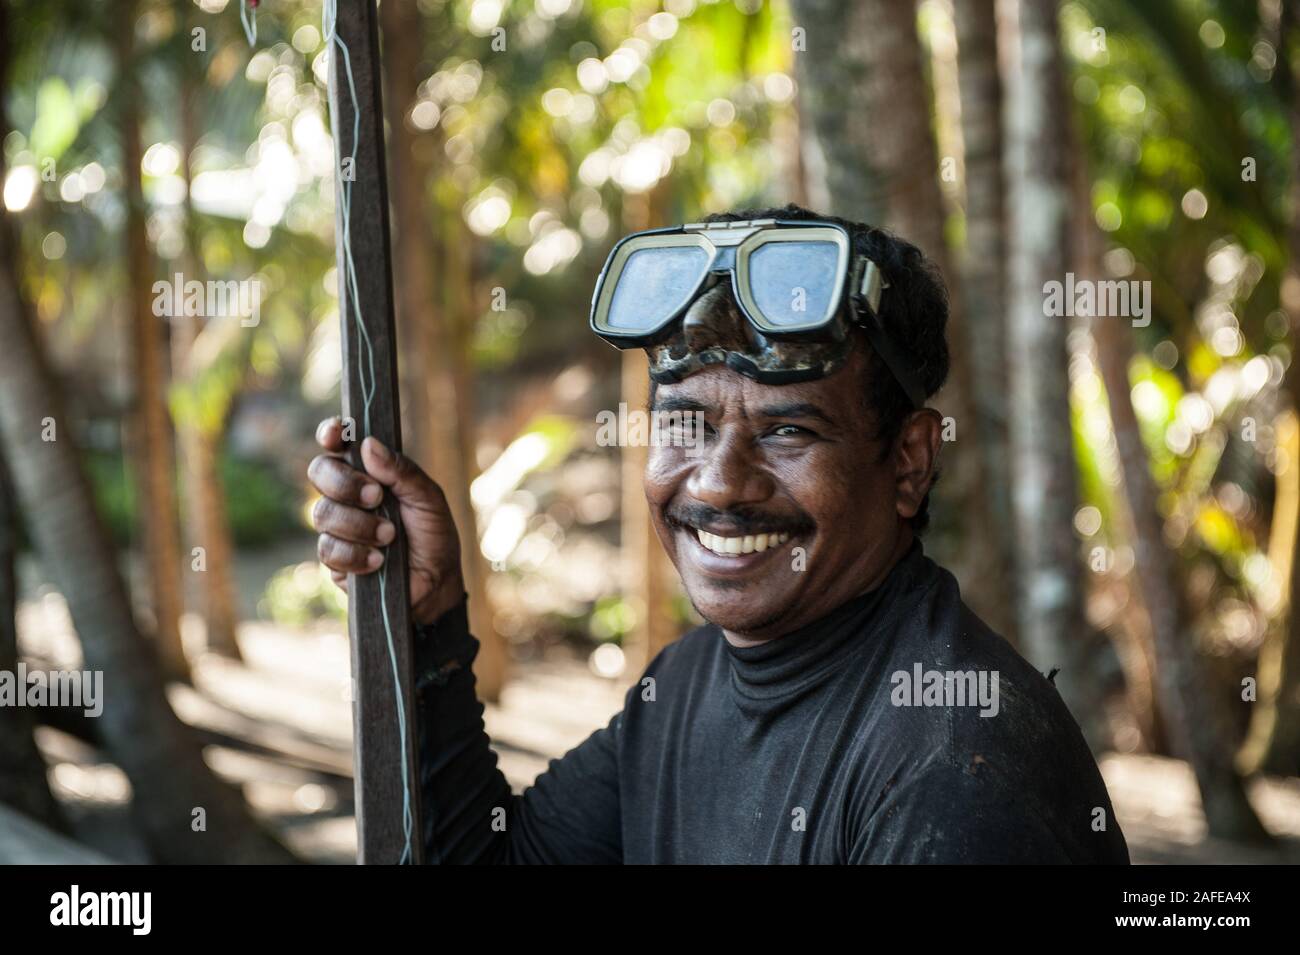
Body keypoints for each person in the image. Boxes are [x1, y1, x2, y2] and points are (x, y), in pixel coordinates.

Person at [309, 203, 1130, 864]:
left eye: (788, 431)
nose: (719, 483)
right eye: (687, 425)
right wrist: (427, 626)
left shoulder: (953, 767)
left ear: (909, 462)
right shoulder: (691, 682)